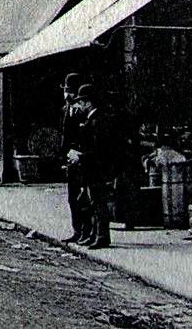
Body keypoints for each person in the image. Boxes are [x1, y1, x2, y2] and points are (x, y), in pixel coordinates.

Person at [69, 83, 113, 249]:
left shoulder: (97, 121)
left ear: (88, 103)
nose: (80, 105)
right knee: (91, 202)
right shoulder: (92, 119)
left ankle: (101, 236)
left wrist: (80, 157)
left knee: (98, 203)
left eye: (81, 102)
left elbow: (99, 150)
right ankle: (95, 234)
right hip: (92, 168)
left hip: (97, 169)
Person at [59, 72, 88, 244]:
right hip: (70, 160)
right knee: (72, 197)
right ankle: (77, 230)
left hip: (81, 158)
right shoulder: (65, 110)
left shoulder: (82, 111)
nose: (67, 95)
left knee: (83, 199)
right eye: (66, 90)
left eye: (70, 91)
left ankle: (86, 232)